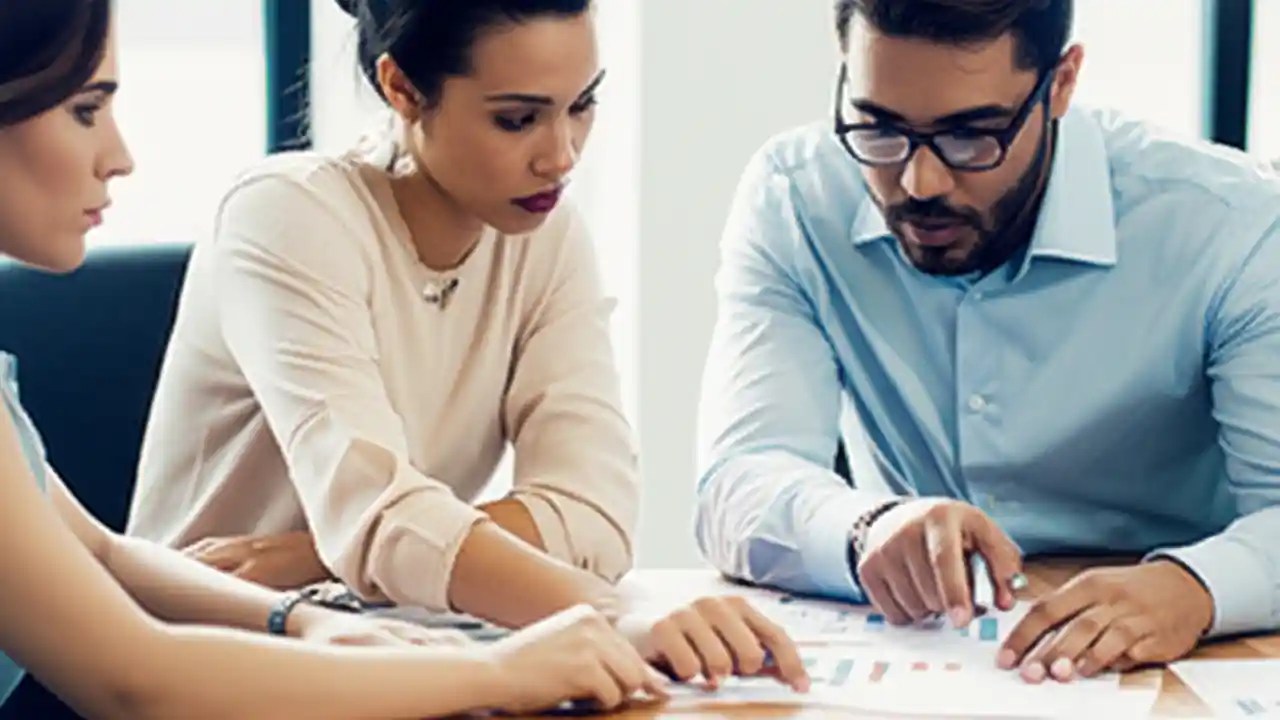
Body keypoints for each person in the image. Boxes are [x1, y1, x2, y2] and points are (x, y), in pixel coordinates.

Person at [0, 1, 807, 717]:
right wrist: (543, 639)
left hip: (349, 646)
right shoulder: (288, 214)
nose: (562, 156)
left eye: (583, 106)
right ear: (402, 91)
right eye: (518, 119)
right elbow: (138, 673)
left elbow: (592, 516)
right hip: (222, 674)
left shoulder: (546, 235)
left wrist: (311, 591)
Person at [695, 0, 1280, 686]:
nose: (920, 183)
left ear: (1061, 83)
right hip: (935, 656)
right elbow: (739, 480)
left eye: (971, 137)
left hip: (1177, 654)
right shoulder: (797, 198)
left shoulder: (1229, 225)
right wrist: (864, 528)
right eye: (878, 128)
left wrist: (1197, 587)